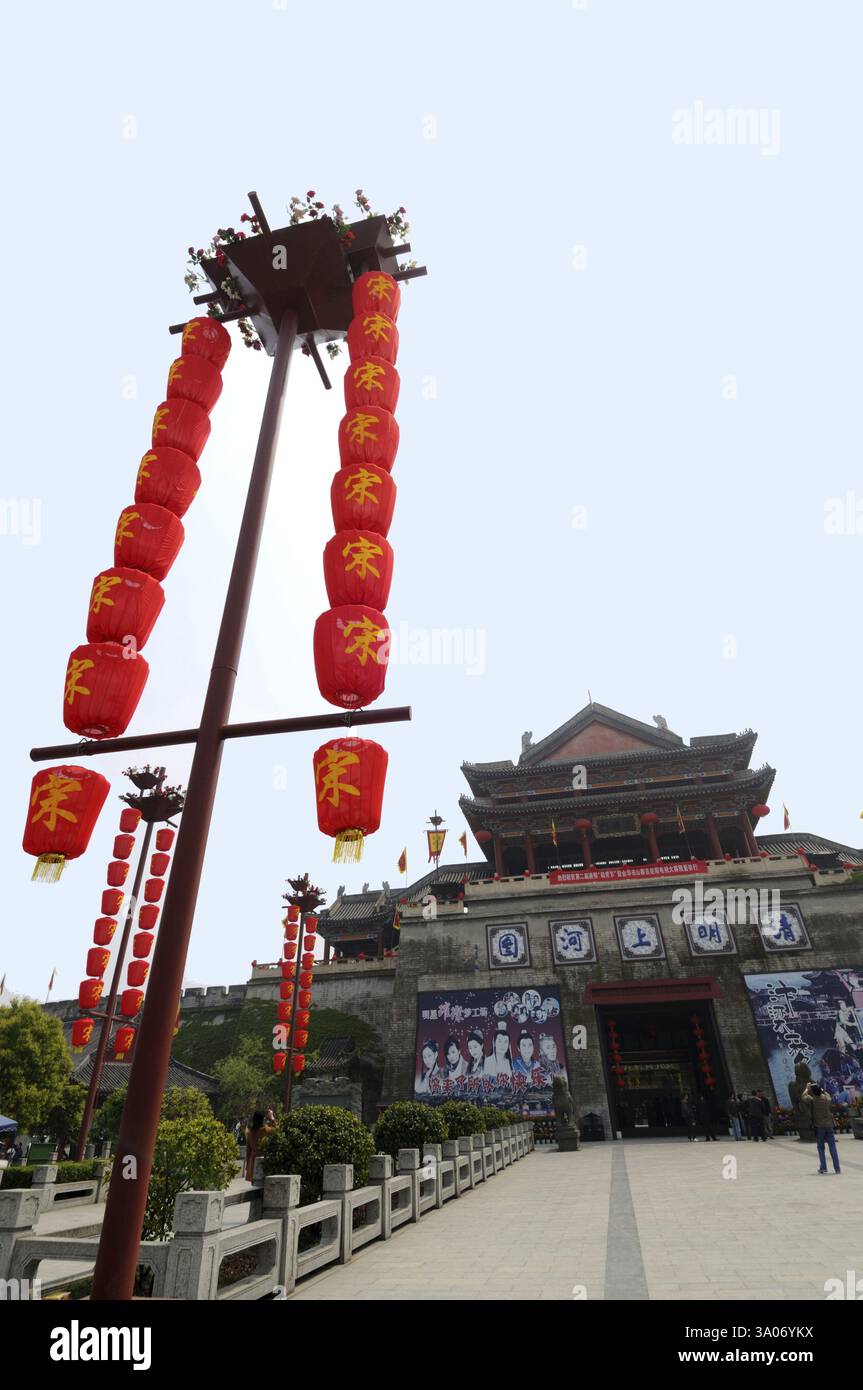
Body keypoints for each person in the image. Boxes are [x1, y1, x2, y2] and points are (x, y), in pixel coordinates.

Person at [804, 1081, 841, 1174]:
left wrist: (807, 1088)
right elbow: (827, 1094)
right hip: (829, 1126)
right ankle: (837, 1168)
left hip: (819, 1126)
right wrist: (822, 1090)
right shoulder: (826, 1099)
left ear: (813, 1092)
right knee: (832, 1147)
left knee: (820, 1148)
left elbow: (803, 1096)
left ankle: (823, 1167)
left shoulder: (812, 1100)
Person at [244, 1110, 274, 1182]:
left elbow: (248, 1151)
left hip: (253, 1161)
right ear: (263, 1119)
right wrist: (272, 1118)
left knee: (255, 1185)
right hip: (265, 1160)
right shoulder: (267, 1130)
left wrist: (247, 1166)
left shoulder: (250, 1133)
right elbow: (279, 1131)